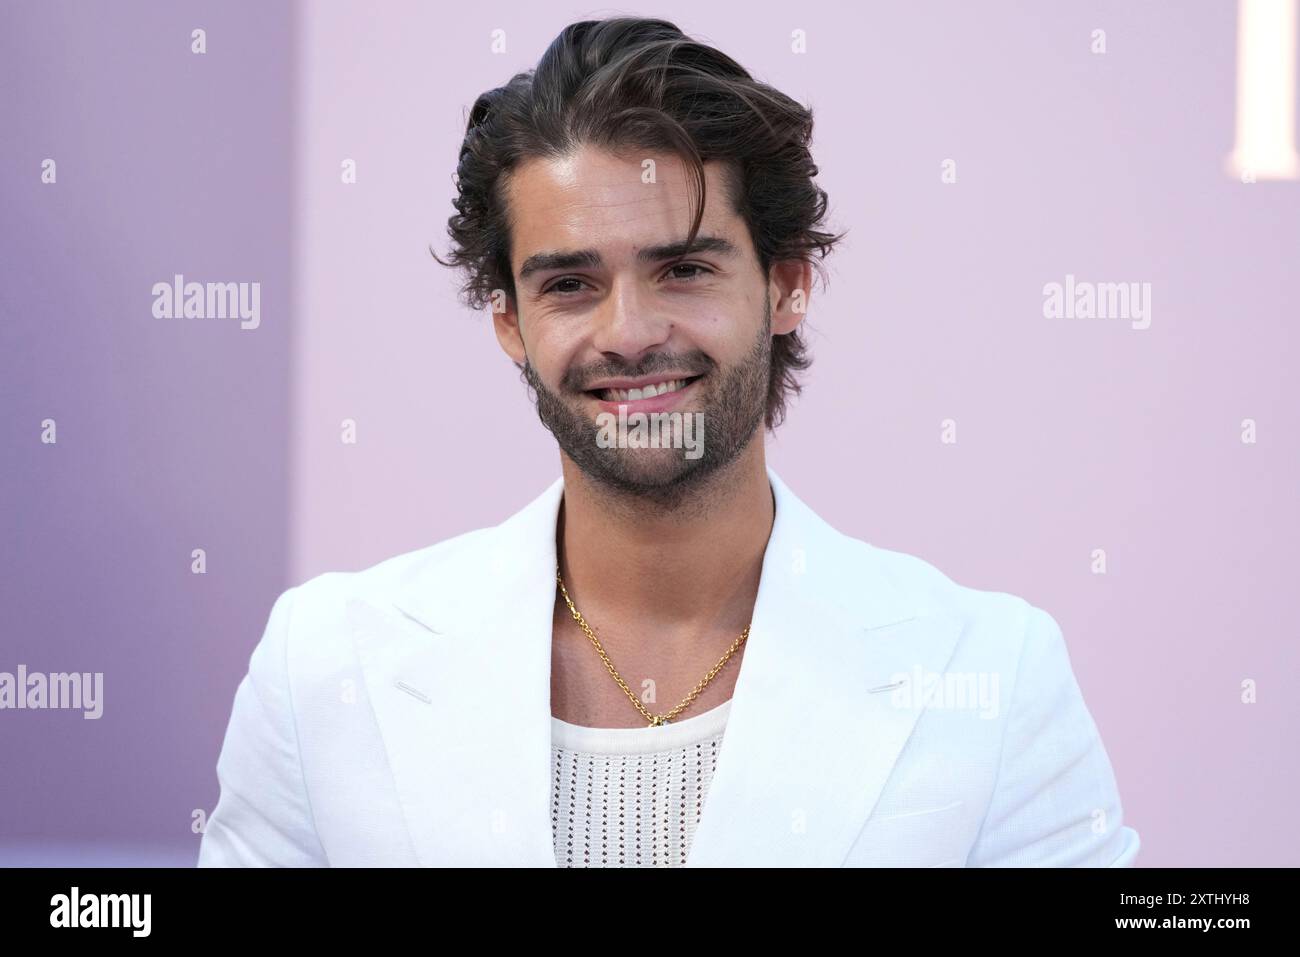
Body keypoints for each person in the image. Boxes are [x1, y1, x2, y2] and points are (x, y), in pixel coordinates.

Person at [198, 16, 1138, 868]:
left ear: (785, 287)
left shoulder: (989, 677)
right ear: (511, 324)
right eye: (569, 283)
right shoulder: (327, 668)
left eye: (683, 268)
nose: (629, 331)